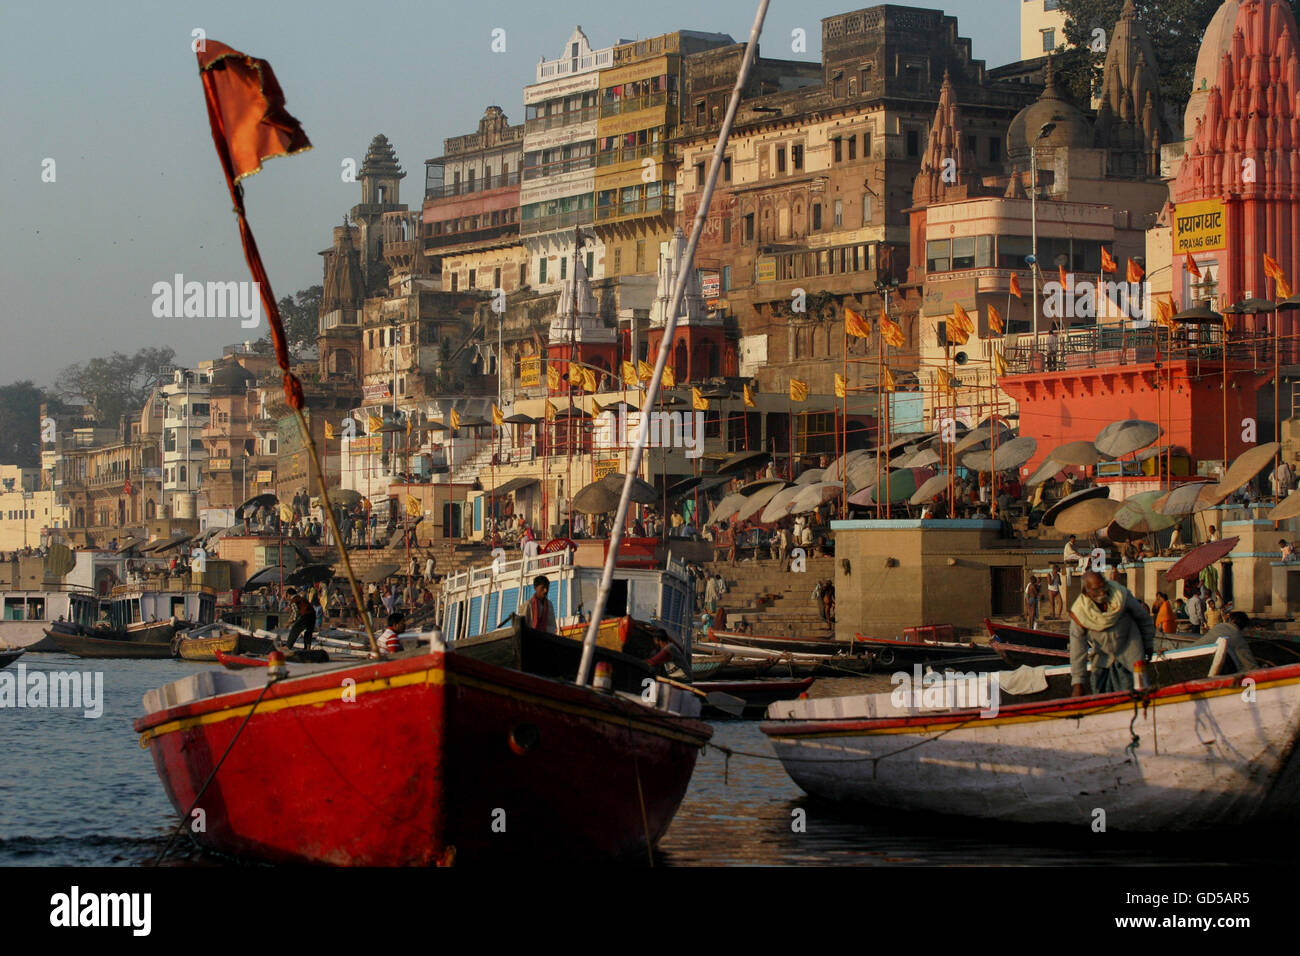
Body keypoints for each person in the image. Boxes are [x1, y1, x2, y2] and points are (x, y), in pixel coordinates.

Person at [1069, 570, 1155, 697]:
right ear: (1086, 592)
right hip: (1103, 660)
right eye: (1096, 590)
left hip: (1131, 657)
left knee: (1136, 697)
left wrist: (1148, 645)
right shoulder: (1079, 612)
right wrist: (1078, 683)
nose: (1102, 592)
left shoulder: (1121, 595)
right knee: (1101, 697)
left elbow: (1144, 619)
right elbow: (1077, 649)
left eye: (1104, 587)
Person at [283, 587, 317, 651]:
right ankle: (307, 648)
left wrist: (289, 623)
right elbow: (295, 613)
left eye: (286, 595)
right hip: (312, 615)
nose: (286, 597)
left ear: (289, 594)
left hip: (305, 615)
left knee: (295, 629)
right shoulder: (302, 598)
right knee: (308, 632)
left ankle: (288, 647)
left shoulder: (293, 600)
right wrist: (290, 621)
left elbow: (296, 613)